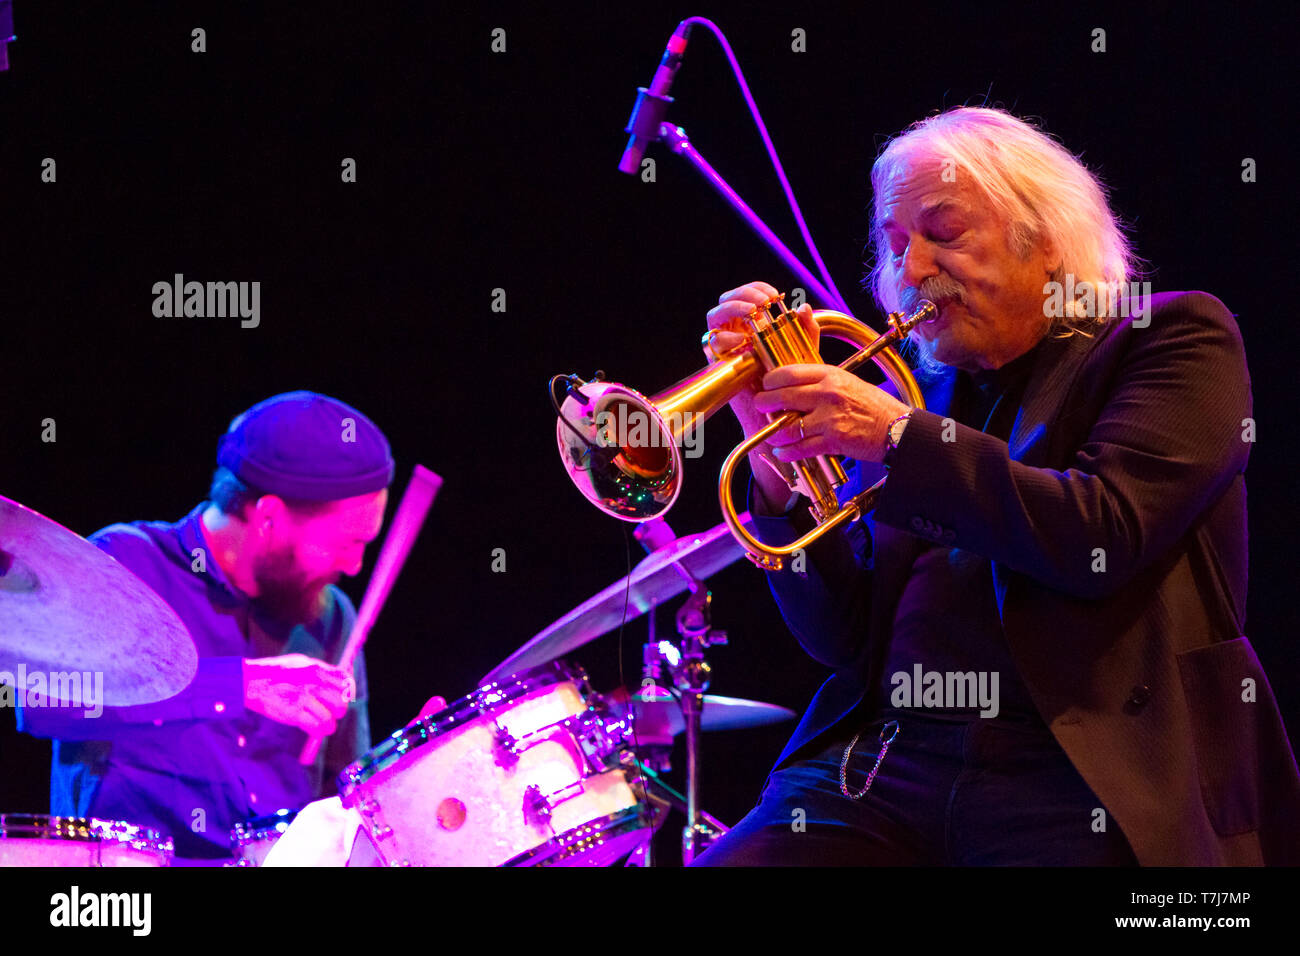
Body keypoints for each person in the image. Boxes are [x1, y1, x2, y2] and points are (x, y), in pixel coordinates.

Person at [690, 107, 1300, 866]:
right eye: (895, 244)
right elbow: (841, 639)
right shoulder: (924, 394)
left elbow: (1101, 533)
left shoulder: (1171, 337)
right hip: (881, 765)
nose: (909, 270)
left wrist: (895, 437)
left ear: (1045, 240)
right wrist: (778, 463)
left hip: (1080, 776)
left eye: (942, 234)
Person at [19, 390, 394, 862]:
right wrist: (238, 684)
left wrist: (402, 769)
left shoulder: (330, 614)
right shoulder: (127, 564)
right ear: (270, 517)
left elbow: (341, 796)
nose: (356, 565)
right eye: (345, 542)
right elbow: (44, 703)